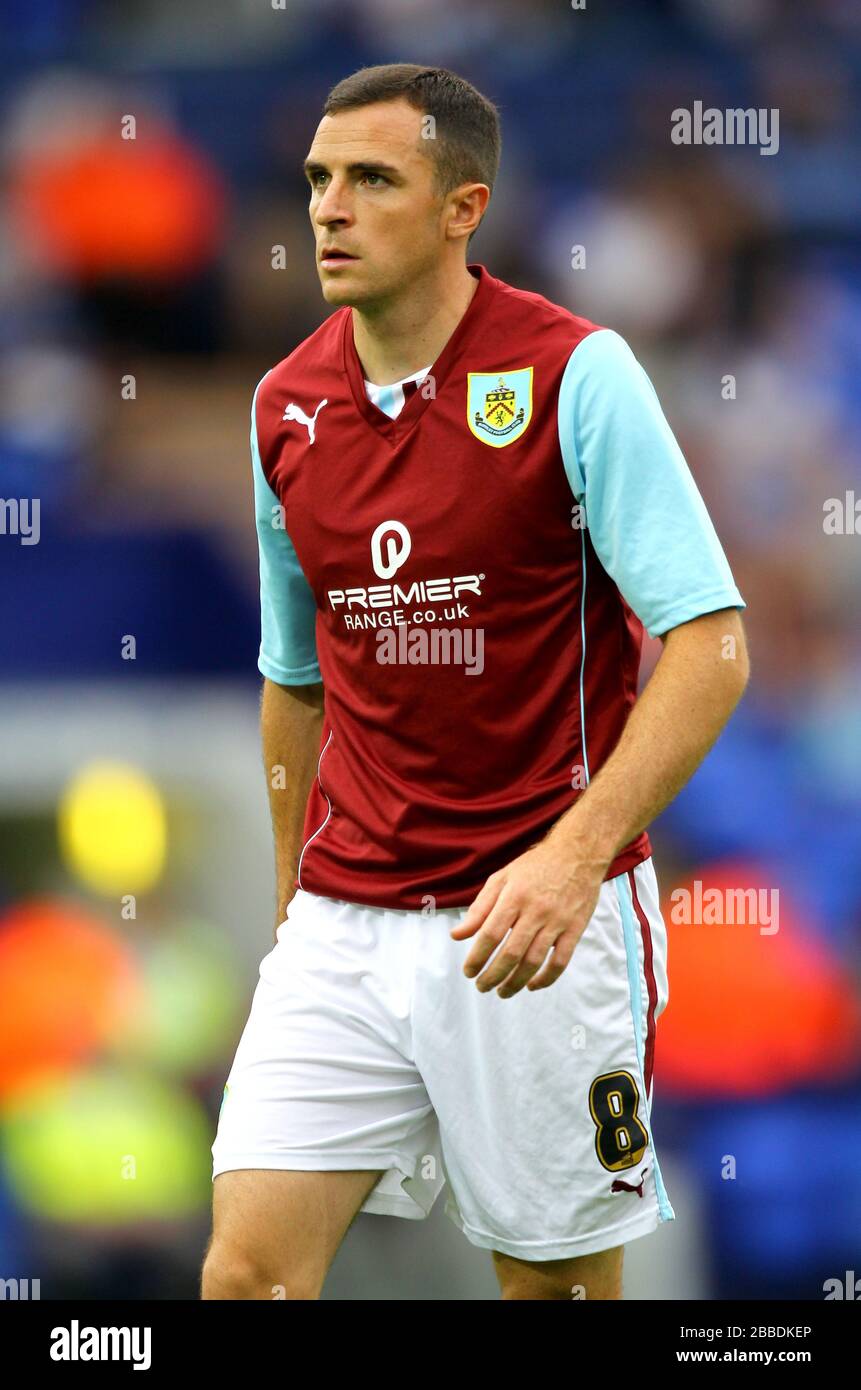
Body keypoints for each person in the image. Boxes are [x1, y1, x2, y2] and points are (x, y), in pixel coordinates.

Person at [203, 63, 748, 1301]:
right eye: (318, 181)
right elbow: (295, 680)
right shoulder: (283, 406)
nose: (329, 209)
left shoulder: (578, 373)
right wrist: (295, 898)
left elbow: (712, 646)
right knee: (246, 1278)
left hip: (537, 924)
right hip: (345, 921)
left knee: (550, 1291)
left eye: (373, 179)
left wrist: (574, 857)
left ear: (464, 207)